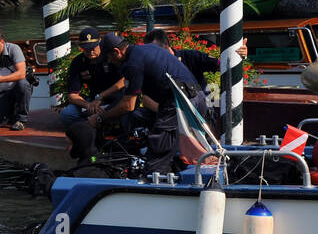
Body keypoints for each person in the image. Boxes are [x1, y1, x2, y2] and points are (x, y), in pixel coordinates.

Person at [96, 30, 245, 175]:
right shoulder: (147, 50)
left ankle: (150, 188)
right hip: (195, 98)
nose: (109, 62)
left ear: (117, 51)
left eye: (108, 57)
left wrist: (100, 118)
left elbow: (128, 105)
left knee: (158, 152)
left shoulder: (132, 63)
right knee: (191, 150)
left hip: (179, 101)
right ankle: (208, 176)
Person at [60, 26, 118, 127]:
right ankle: (89, 125)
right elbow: (72, 95)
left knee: (120, 112)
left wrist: (101, 96)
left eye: (93, 47)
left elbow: (123, 81)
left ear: (100, 42)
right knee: (67, 115)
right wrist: (88, 105)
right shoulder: (78, 62)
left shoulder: (110, 56)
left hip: (114, 99)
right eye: (86, 48)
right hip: (92, 102)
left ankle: (94, 122)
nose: (90, 51)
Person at [0, 28, 31, 130]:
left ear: (1, 42)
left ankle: (21, 120)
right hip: (3, 91)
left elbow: (22, 74)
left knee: (23, 84)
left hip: (19, 87)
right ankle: (10, 115)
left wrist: (1, 79)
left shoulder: (13, 49)